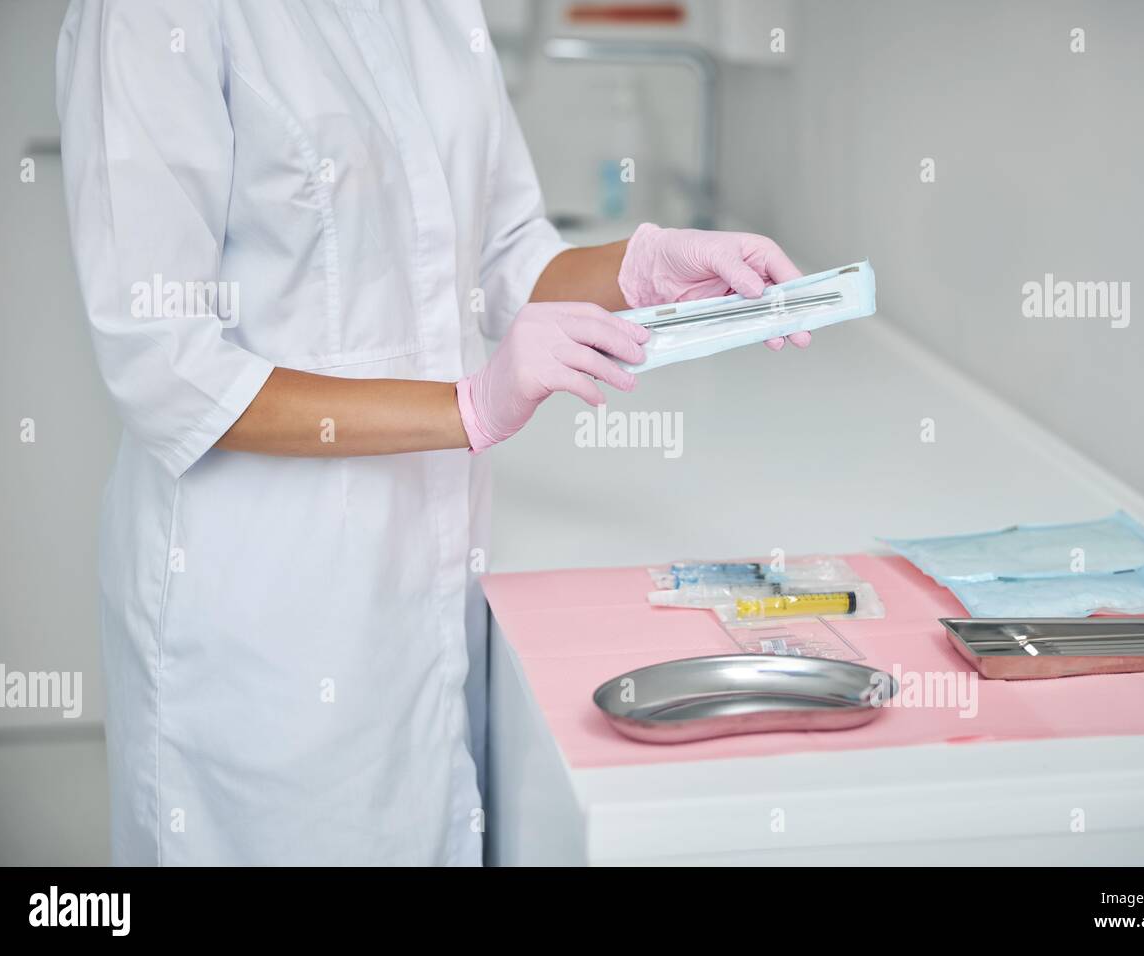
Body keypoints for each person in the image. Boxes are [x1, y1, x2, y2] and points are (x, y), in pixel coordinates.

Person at [56, 0, 808, 865]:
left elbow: (506, 259)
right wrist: (467, 408)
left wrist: (641, 266)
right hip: (267, 607)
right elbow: (166, 368)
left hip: (429, 570)